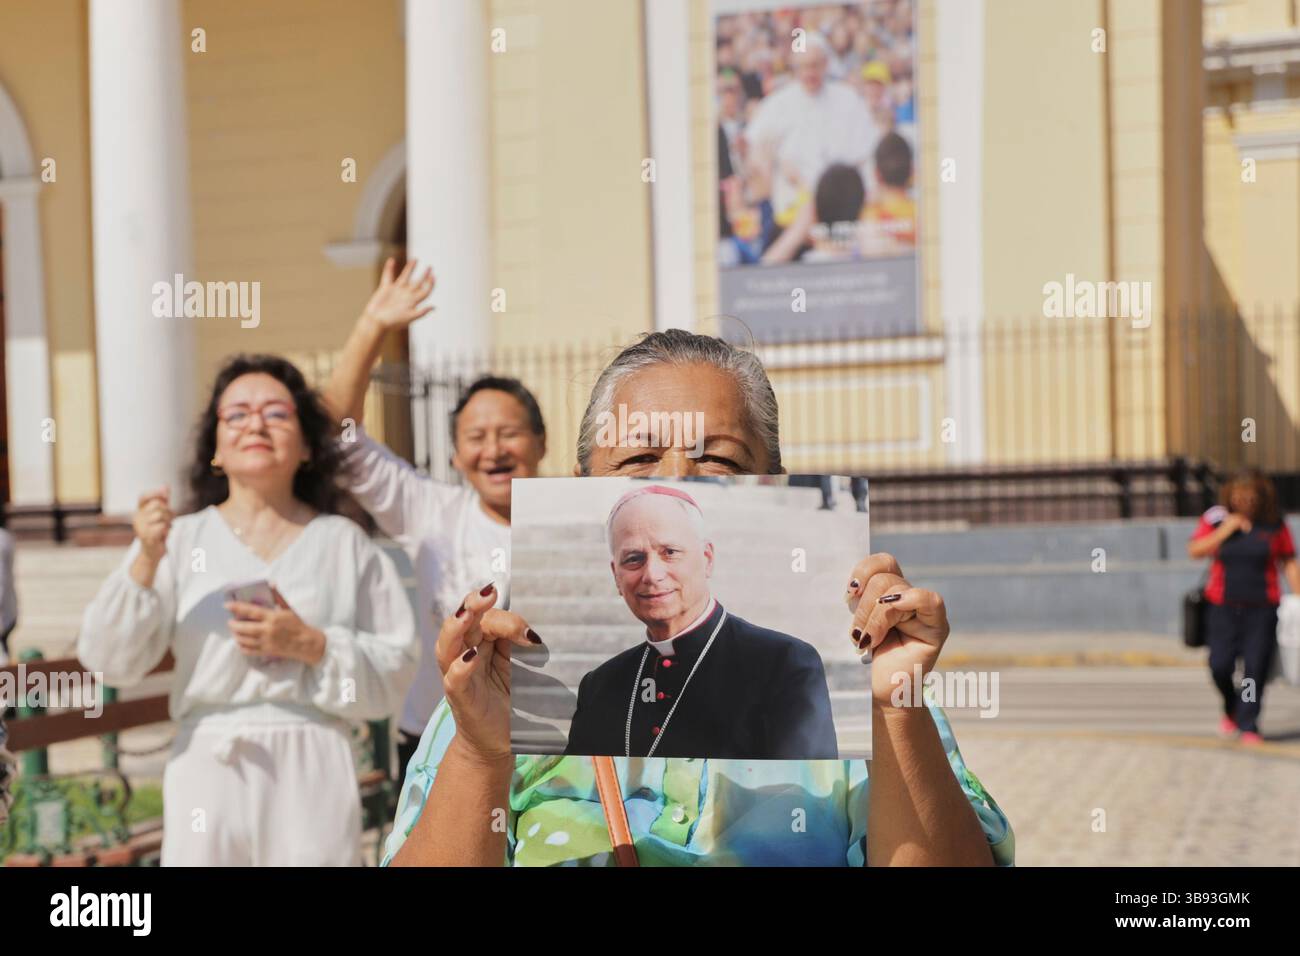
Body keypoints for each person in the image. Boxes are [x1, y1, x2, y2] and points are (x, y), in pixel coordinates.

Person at [385, 329, 1013, 866]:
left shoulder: (828, 679)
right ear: (583, 493)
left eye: (717, 459)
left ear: (772, 483)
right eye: (639, 457)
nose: (676, 478)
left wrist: (895, 715)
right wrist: (481, 750)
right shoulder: (517, 689)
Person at [78, 354, 417, 865]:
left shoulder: (343, 544)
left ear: (306, 445)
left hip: (312, 762)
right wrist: (146, 558)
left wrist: (312, 645)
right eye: (236, 414)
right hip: (208, 767)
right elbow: (109, 660)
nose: (255, 423)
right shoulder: (179, 538)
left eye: (277, 413)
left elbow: (397, 667)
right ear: (215, 446)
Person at [323, 258, 548, 779]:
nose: (493, 449)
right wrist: (373, 326)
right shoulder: (431, 511)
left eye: (509, 433)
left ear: (540, 442)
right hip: (436, 739)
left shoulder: (578, 520)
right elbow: (339, 436)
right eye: (475, 437)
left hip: (546, 745)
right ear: (454, 455)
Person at [565, 485, 837, 759]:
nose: (652, 574)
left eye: (670, 552)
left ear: (707, 559)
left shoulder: (784, 665)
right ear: (616, 575)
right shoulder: (598, 687)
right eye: (634, 559)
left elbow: (804, 791)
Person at [1187, 469, 1300, 745]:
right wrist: (1226, 530)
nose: (1246, 502)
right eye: (1240, 497)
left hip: (1262, 607)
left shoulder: (1274, 524)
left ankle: (1249, 723)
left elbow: (1287, 561)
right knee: (1219, 665)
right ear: (1230, 497)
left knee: (1255, 667)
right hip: (1222, 606)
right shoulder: (1216, 519)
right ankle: (1232, 707)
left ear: (1261, 498)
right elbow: (1195, 550)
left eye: (1251, 498)